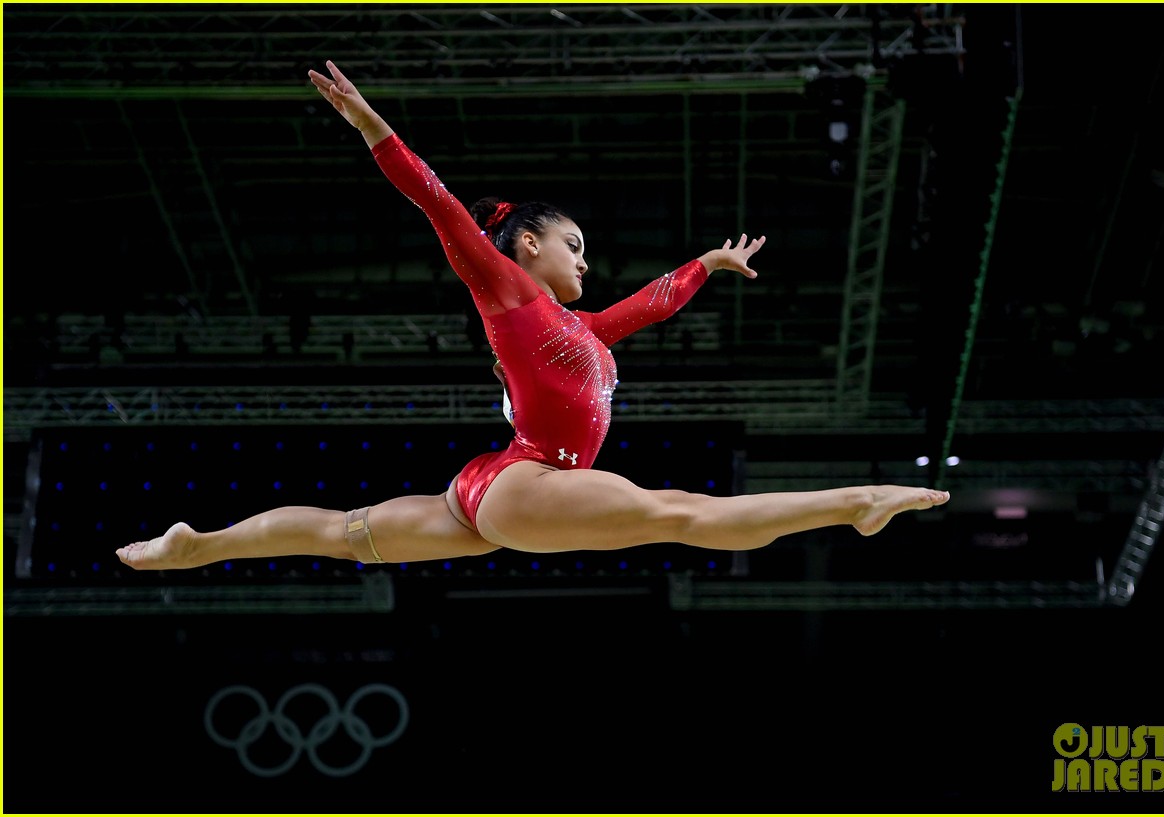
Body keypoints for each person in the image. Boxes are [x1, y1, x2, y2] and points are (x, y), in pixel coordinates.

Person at [115, 60, 949, 571]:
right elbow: (439, 206)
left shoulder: (583, 332)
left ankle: (199, 543)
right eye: (573, 243)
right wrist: (371, 125)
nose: (585, 260)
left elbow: (647, 306)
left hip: (495, 488)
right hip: (525, 484)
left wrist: (707, 263)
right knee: (684, 515)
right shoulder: (505, 289)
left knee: (343, 533)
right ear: (525, 246)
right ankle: (858, 498)